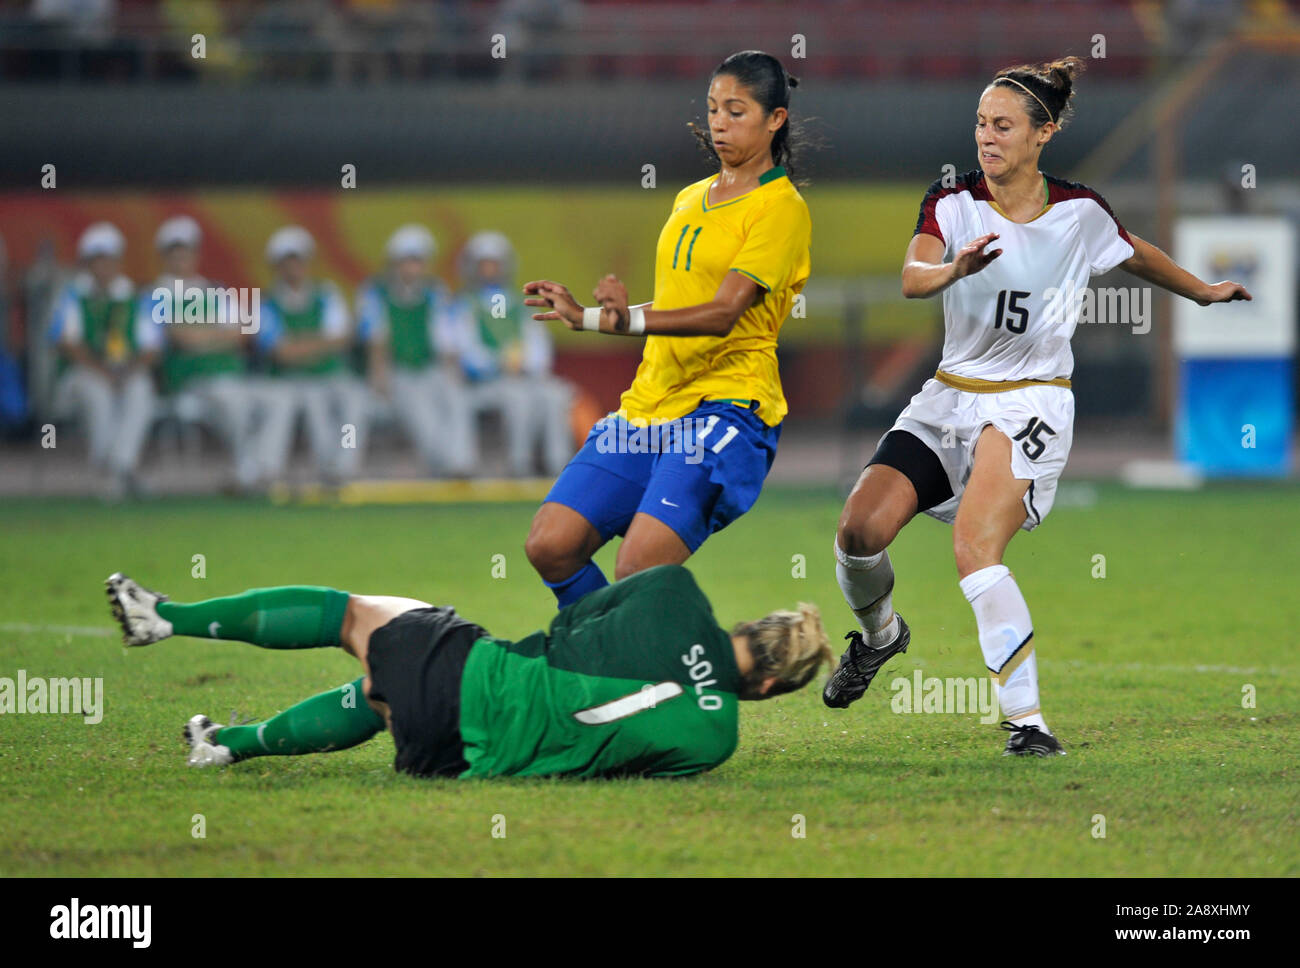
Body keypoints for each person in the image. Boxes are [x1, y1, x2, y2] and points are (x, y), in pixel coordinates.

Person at [826, 57, 1251, 757]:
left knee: (974, 548)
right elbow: (911, 277)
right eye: (979, 124)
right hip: (949, 395)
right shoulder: (951, 202)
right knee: (858, 532)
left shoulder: (1080, 213)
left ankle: (1028, 724)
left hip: (1031, 403)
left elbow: (1133, 252)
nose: (985, 138)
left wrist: (1201, 290)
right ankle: (880, 640)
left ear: (1042, 133)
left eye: (1002, 125)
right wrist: (952, 270)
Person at [523, 50, 812, 608]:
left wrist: (630, 319)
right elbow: (681, 304)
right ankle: (609, 661)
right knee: (550, 544)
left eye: (737, 110)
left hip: (726, 409)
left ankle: (686, 675)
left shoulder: (780, 209)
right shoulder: (689, 198)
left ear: (775, 119)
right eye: (713, 110)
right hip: (649, 406)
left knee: (638, 568)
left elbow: (723, 312)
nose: (720, 123)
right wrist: (590, 317)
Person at [104, 565, 832, 779]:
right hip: (461, 758)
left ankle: (168, 617)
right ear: (769, 688)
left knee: (353, 614)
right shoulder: (717, 740)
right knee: (378, 693)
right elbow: (627, 766)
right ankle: (227, 743)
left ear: (750, 626)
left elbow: (571, 621)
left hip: (481, 679)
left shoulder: (675, 588)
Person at [138, 215, 261, 489]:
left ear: (196, 254)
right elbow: (183, 339)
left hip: (230, 375)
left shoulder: (215, 289)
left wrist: (203, 335)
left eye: (187, 251)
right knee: (232, 399)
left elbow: (245, 333)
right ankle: (248, 471)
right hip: (186, 380)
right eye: (174, 252)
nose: (181, 258)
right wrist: (218, 335)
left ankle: (257, 470)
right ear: (164, 256)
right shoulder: (156, 293)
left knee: (273, 400)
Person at [357, 224, 476, 477]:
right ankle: (444, 466)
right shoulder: (375, 293)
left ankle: (463, 463)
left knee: (456, 399)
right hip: (397, 371)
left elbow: (445, 338)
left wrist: (451, 374)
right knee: (419, 408)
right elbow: (376, 339)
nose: (412, 268)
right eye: (406, 261)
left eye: (417, 261)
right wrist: (380, 376)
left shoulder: (435, 292)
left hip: (430, 368)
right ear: (394, 263)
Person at [48, 222, 156, 497]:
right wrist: (104, 373)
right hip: (80, 376)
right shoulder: (73, 294)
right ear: (87, 263)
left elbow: (151, 347)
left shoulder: (132, 296)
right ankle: (109, 470)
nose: (105, 266)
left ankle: (120, 466)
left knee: (141, 389)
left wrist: (126, 373)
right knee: (97, 391)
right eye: (98, 259)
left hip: (124, 372)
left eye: (110, 259)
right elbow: (66, 343)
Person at [456, 230, 574, 477]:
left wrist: (526, 363)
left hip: (525, 377)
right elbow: (465, 350)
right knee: (518, 399)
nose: (490, 270)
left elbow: (539, 345)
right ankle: (519, 467)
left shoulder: (519, 304)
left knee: (555, 396)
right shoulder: (465, 304)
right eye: (484, 265)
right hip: (486, 383)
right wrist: (499, 363)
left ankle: (559, 467)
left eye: (495, 264)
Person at [254, 226, 367, 484]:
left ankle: (343, 468)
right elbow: (280, 352)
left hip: (328, 374)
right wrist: (320, 343)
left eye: (299, 259)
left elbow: (342, 338)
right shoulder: (263, 302)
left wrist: (300, 345)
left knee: (354, 400)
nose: (295, 266)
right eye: (288, 261)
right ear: (277, 266)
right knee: (295, 402)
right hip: (286, 379)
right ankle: (266, 472)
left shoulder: (327, 294)